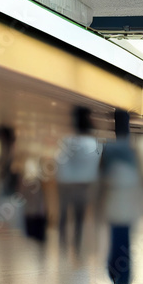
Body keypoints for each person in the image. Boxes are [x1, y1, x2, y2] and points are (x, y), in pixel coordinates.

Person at [100, 109, 143, 284]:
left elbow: (101, 177)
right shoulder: (134, 151)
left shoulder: (108, 149)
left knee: (115, 241)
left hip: (113, 205)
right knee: (124, 243)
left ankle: (116, 276)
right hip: (128, 206)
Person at [56, 106, 101, 248]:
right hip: (84, 184)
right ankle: (76, 243)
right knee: (79, 216)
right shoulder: (93, 143)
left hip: (67, 183)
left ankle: (62, 242)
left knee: (64, 214)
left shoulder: (69, 141)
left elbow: (60, 161)